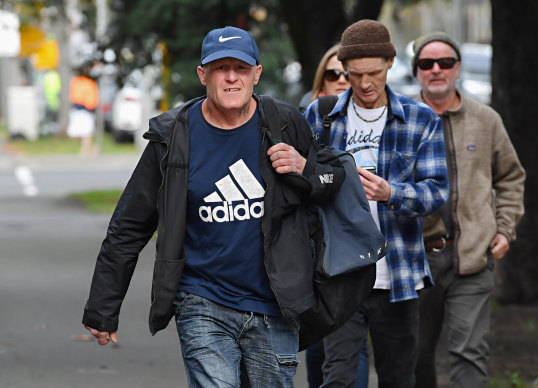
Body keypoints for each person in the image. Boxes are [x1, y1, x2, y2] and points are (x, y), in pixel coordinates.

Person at [82, 26, 346, 387]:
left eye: (240, 68)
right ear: (203, 75)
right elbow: (129, 225)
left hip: (276, 304)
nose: (231, 78)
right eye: (221, 68)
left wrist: (305, 169)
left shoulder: (285, 123)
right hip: (203, 301)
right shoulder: (172, 137)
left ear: (257, 73)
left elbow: (332, 181)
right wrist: (103, 308)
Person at [304, 19, 450, 387]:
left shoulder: (420, 120)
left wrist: (392, 193)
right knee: (337, 377)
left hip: (398, 275)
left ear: (390, 63)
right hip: (339, 272)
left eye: (373, 73)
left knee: (398, 377)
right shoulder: (321, 117)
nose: (365, 84)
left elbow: (436, 191)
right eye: (355, 75)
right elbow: (299, 188)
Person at [410, 32, 526, 388]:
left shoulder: (485, 120)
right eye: (427, 64)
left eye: (445, 62)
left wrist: (505, 229)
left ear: (457, 68)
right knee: (414, 353)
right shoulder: (402, 119)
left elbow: (511, 177)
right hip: (417, 259)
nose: (436, 70)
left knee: (469, 352)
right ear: (416, 72)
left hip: (473, 257)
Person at [300, 43, 369, 388]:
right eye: (334, 73)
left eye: (350, 73)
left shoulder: (379, 116)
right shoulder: (306, 120)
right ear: (321, 82)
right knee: (320, 352)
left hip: (361, 258)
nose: (343, 79)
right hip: (319, 260)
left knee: (349, 354)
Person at [298, 44, 350, 112]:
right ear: (322, 82)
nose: (341, 80)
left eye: (349, 74)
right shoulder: (306, 117)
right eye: (333, 74)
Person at [67, 65, 99, 155]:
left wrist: (90, 106)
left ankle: (86, 149)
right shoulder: (77, 82)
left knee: (86, 131)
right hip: (78, 108)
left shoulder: (88, 83)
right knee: (78, 131)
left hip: (85, 108)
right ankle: (91, 148)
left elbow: (92, 97)